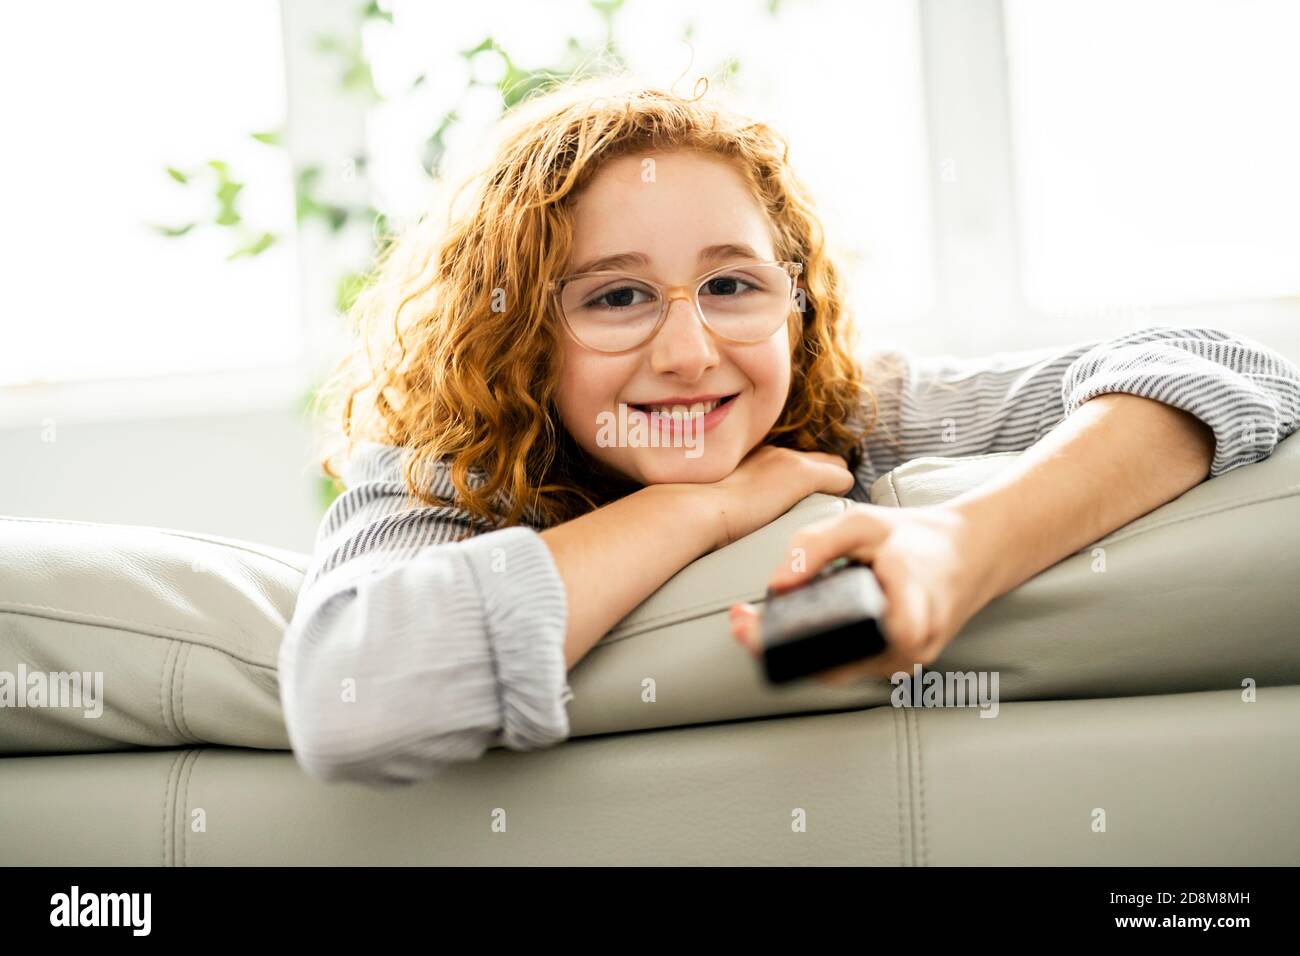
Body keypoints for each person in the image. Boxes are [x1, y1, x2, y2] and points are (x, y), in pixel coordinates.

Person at [280, 74, 1300, 786]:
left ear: (795, 303)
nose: (688, 351)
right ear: (515, 330)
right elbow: (355, 699)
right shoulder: (445, 467)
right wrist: (707, 505)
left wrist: (958, 544)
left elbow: (1227, 364)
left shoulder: (857, 411)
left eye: (731, 284)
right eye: (616, 296)